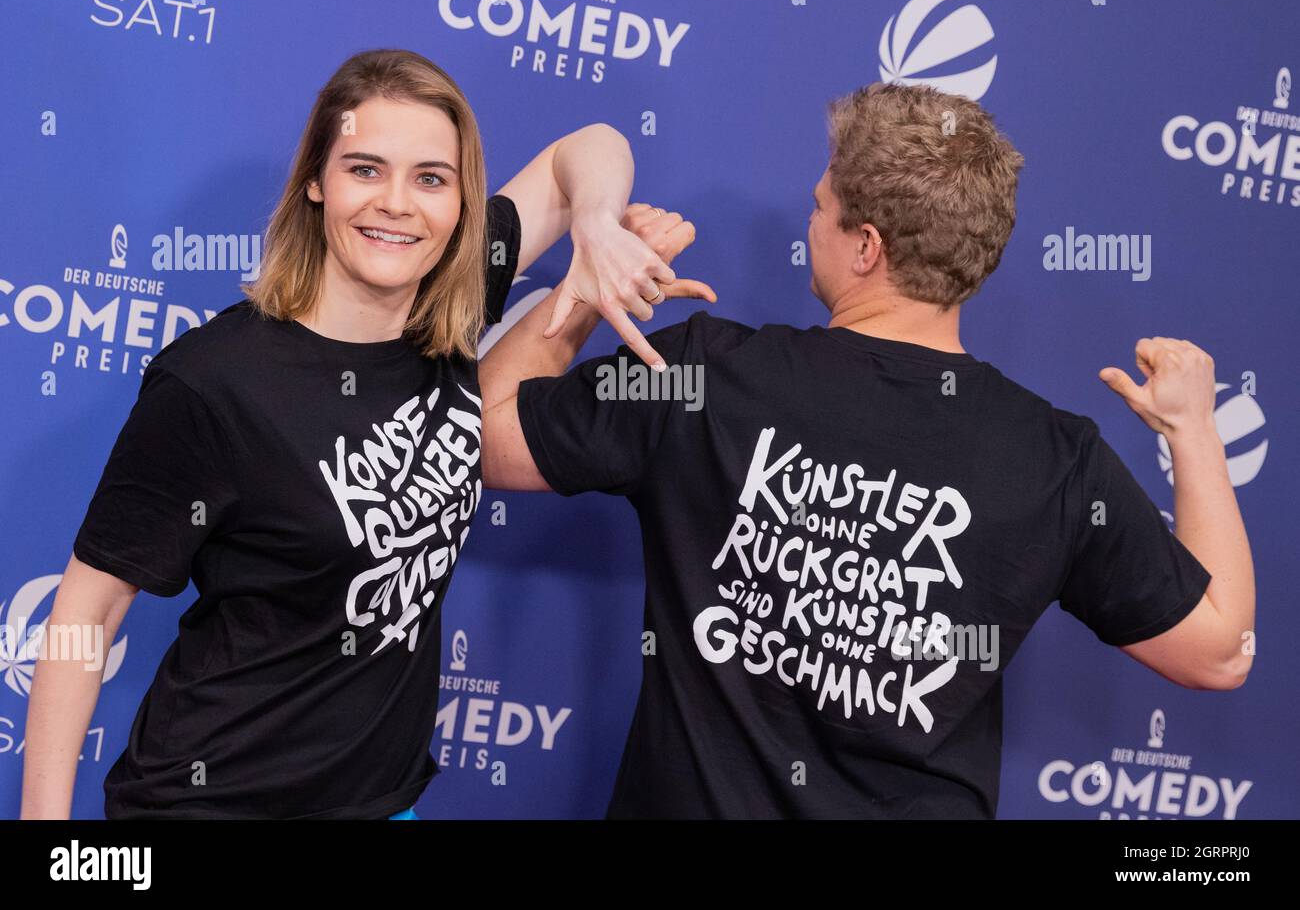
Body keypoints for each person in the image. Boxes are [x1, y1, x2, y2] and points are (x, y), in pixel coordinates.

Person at [477, 83, 1256, 818]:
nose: (810, 222)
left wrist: (588, 290)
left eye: (822, 206)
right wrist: (1194, 431)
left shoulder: (701, 374)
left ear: (866, 247)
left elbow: (486, 434)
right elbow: (1219, 651)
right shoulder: (1057, 458)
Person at [20, 48, 706, 820]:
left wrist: (595, 227)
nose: (398, 205)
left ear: (460, 201)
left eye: (431, 179)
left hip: (382, 804)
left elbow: (594, 145)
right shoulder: (215, 382)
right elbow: (85, 613)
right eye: (365, 169)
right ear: (316, 181)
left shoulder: (452, 299)